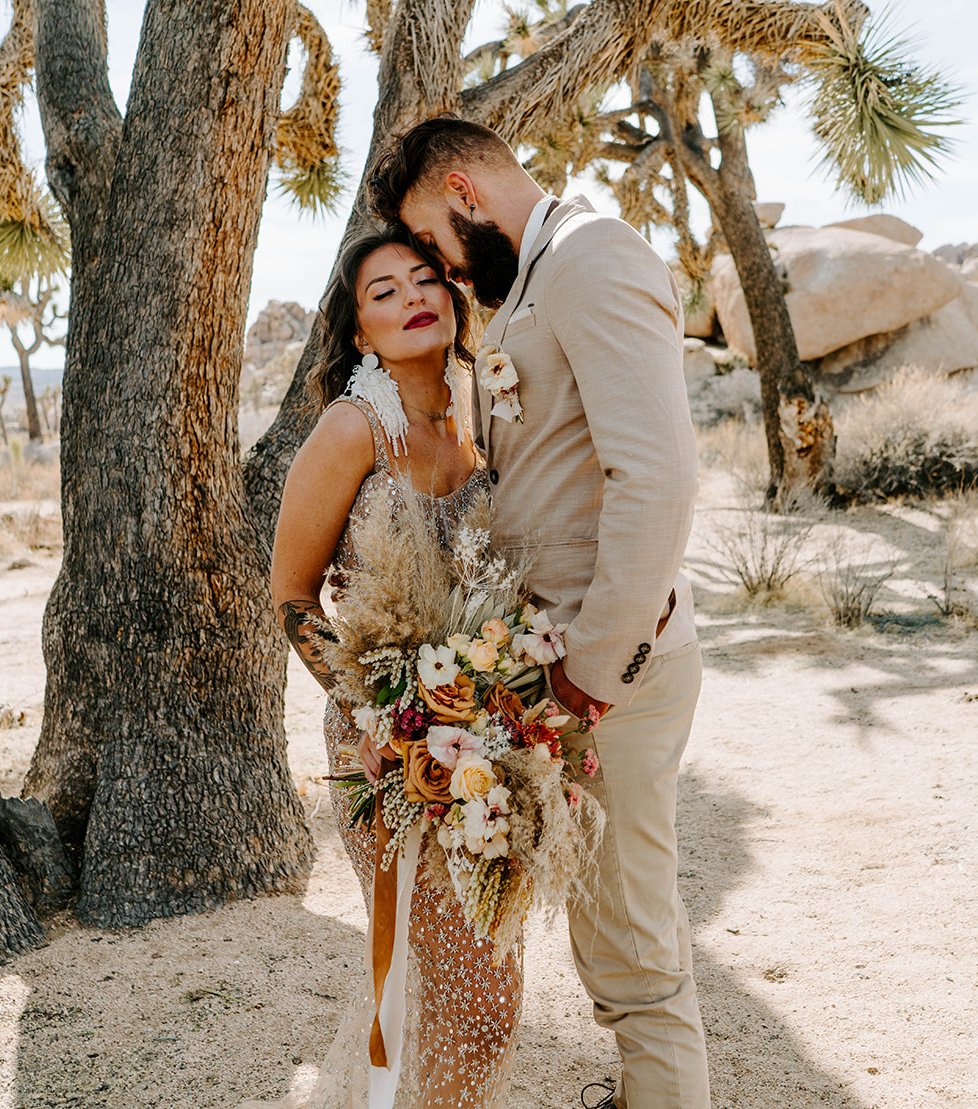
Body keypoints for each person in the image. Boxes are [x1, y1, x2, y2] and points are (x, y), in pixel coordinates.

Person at [366, 116, 709, 1109]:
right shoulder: (536, 282)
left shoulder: (593, 256)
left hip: (614, 674)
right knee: (612, 937)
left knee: (636, 953)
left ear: (466, 191)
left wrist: (588, 677)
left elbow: (656, 478)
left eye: (430, 237)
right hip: (563, 676)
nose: (433, 265)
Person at [268, 227, 520, 1109]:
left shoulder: (481, 411)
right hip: (389, 748)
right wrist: (373, 710)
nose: (414, 296)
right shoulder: (349, 429)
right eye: (384, 291)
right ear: (361, 332)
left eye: (426, 279)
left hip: (492, 730)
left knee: (480, 978)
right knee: (467, 993)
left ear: (453, 301)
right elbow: (293, 595)